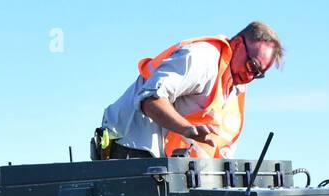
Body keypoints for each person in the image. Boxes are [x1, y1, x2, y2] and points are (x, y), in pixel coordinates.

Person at [94, 22, 283, 160]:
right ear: (237, 45)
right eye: (252, 66)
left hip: (164, 161)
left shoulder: (235, 89)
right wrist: (187, 129)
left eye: (259, 74)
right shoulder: (201, 58)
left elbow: (221, 145)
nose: (251, 76)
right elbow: (150, 100)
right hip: (128, 145)